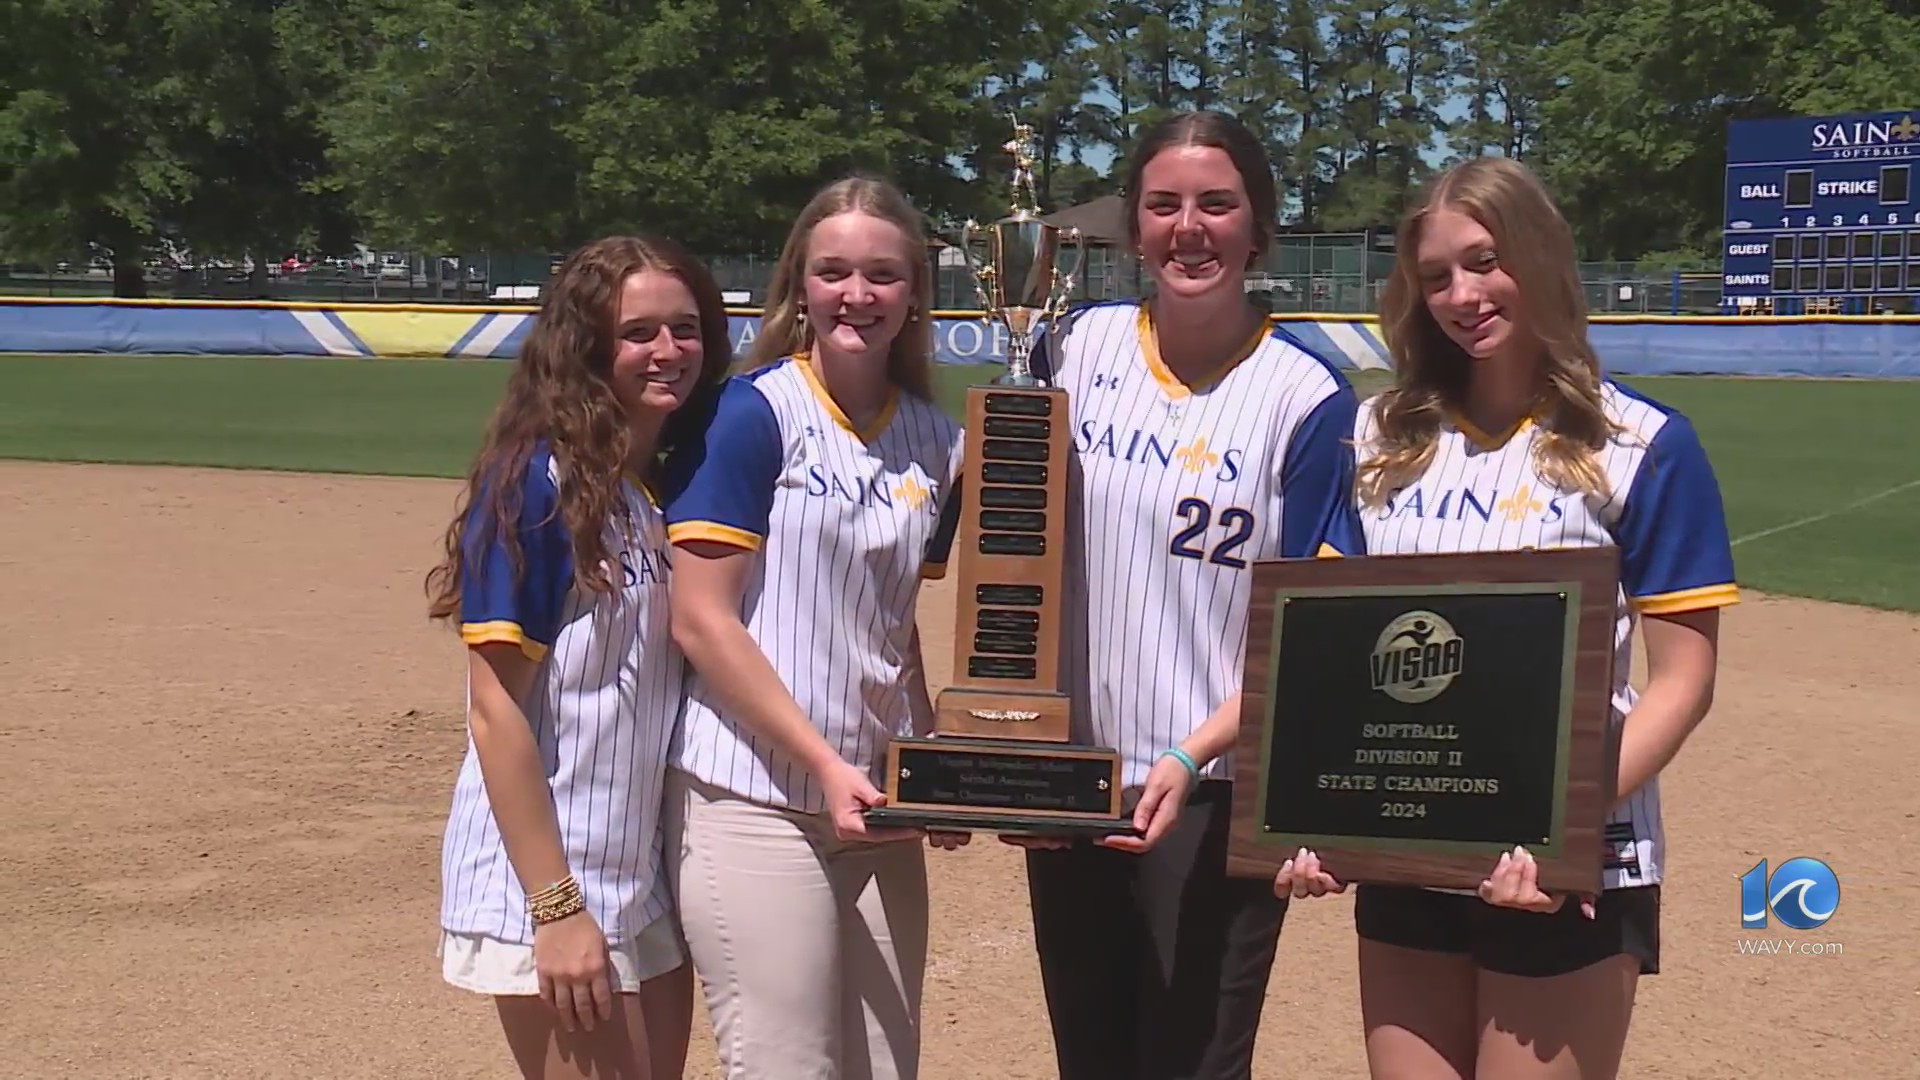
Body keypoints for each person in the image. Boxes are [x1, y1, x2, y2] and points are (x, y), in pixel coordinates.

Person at [1273, 155, 1738, 1080]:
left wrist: (1563, 817)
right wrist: (1308, 812)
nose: (1462, 294)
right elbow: (1322, 652)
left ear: (1541, 258)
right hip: (1408, 844)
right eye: (1436, 275)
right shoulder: (1371, 441)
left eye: (1485, 261)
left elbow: (1685, 679)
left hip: (1565, 865)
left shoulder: (1641, 444)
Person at [1013, 109, 1364, 1080]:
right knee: (1090, 1055)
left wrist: (1191, 749)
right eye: (1164, 205)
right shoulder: (1073, 349)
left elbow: (1319, 635)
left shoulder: (1308, 397)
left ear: (1259, 228)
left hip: (1212, 790)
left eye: (1218, 204)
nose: (1190, 227)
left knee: (1196, 1063)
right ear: (1134, 228)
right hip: (1071, 782)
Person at [658, 174, 964, 1080]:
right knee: (789, 1066)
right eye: (833, 272)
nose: (857, 296)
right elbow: (701, 621)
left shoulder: (940, 441)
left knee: (884, 1068)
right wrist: (826, 764)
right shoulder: (750, 413)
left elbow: (892, 621)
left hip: (877, 802)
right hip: (751, 797)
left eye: (882, 275)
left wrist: (936, 759)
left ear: (913, 295)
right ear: (801, 283)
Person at [426, 234, 733, 1080]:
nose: (668, 351)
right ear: (588, 346)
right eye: (639, 333)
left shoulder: (653, 489)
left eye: (686, 328)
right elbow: (494, 712)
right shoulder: (535, 483)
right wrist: (556, 909)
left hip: (636, 875)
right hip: (548, 879)